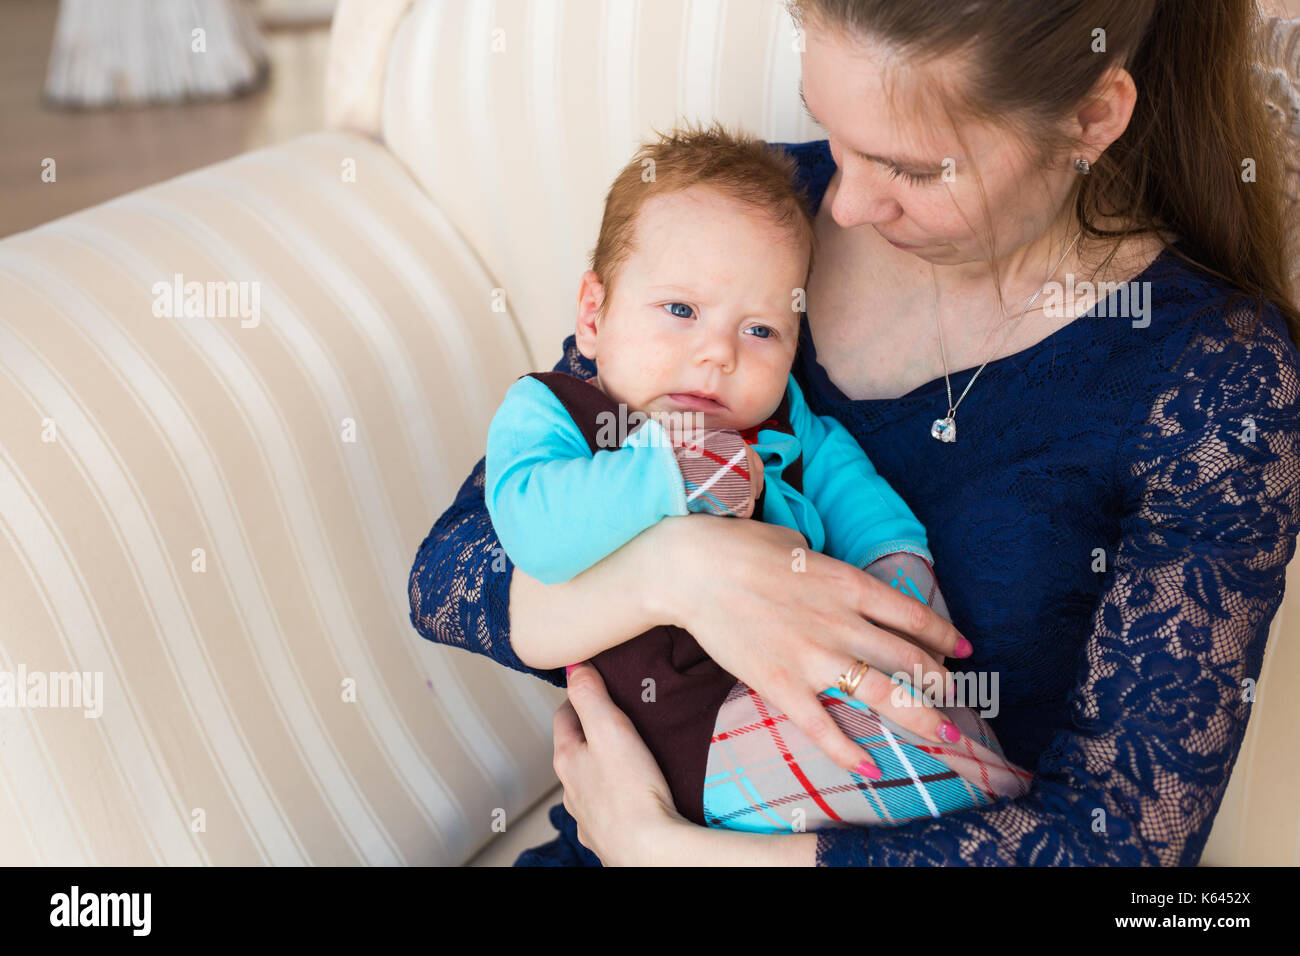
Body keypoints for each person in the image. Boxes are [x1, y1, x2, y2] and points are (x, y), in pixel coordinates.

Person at [409, 0, 1300, 865]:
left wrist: (668, 853)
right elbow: (453, 569)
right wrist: (685, 575)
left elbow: (1121, 846)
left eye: (910, 170)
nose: (841, 206)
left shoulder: (1215, 379)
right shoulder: (747, 219)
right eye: (831, 130)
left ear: (1091, 117)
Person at [482, 123, 1034, 833]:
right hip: (683, 732)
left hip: (806, 683)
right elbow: (533, 529)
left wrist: (896, 576)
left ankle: (976, 804)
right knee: (904, 774)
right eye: (681, 311)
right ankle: (975, 807)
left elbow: (851, 488)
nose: (717, 354)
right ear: (593, 314)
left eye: (761, 332)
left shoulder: (785, 422)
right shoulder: (554, 409)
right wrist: (660, 471)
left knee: (920, 733)